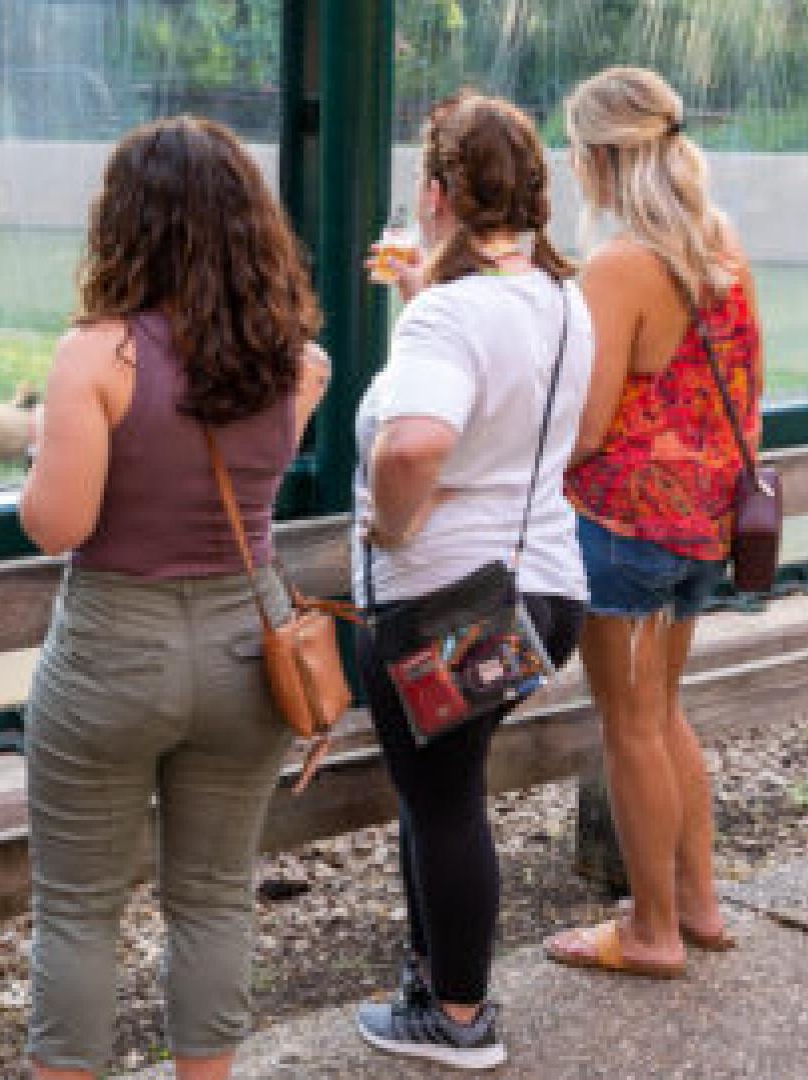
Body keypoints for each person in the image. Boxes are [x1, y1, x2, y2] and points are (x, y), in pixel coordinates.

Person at [16, 115, 331, 1080]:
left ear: (125, 222)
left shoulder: (95, 357)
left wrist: (41, 450)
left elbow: (57, 525)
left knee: (79, 908)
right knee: (214, 898)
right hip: (247, 646)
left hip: (114, 650)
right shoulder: (298, 362)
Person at [351, 92, 591, 1069]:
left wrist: (388, 522)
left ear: (439, 194)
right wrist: (425, 301)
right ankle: (431, 984)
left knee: (445, 802)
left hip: (447, 601)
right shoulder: (562, 298)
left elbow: (414, 444)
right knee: (440, 794)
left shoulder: (452, 315)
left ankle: (457, 1017)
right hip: (546, 592)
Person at [543, 66, 764, 978]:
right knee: (664, 715)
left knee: (630, 728)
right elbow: (748, 386)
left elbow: (588, 426)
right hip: (705, 523)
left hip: (625, 531)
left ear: (599, 156)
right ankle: (700, 909)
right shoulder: (719, 241)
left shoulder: (620, 265)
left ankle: (651, 931)